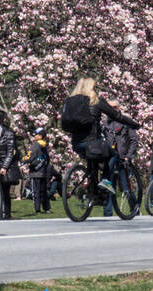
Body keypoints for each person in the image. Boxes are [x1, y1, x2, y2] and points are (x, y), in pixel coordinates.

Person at [60, 75, 140, 217]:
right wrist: (134, 124)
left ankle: (92, 191)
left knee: (93, 164)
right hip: (93, 143)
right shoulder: (95, 101)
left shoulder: (71, 102)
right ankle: (106, 180)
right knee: (114, 155)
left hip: (77, 144)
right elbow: (117, 116)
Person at [28, 125, 51, 213]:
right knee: (44, 191)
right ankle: (46, 208)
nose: (34, 136)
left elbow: (30, 156)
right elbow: (47, 159)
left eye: (36, 134)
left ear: (40, 136)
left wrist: (24, 160)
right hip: (43, 172)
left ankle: (37, 209)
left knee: (36, 192)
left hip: (35, 172)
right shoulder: (44, 145)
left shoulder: (35, 145)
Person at [0, 117, 18, 219]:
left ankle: (7, 214)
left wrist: (4, 167)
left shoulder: (8, 134)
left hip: (4, 166)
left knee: (5, 191)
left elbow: (10, 152)